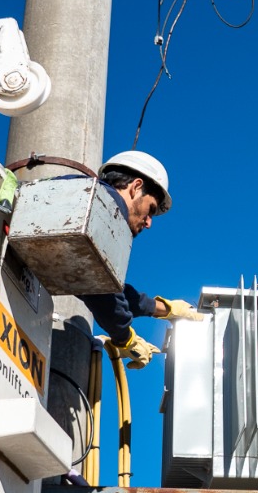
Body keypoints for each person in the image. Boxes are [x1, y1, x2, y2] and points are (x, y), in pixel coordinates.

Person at [75, 150, 204, 369]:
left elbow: (107, 287)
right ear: (135, 187)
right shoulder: (107, 206)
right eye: (151, 210)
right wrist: (125, 337)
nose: (149, 223)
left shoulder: (85, 199)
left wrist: (163, 308)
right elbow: (103, 292)